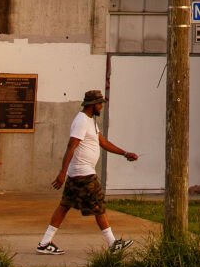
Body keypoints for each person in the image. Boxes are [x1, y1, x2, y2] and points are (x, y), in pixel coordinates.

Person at [36, 88, 138, 255]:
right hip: (83, 173)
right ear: (92, 105)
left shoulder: (91, 120)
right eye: (100, 104)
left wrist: (124, 153)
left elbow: (103, 142)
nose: (102, 107)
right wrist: (62, 172)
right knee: (98, 205)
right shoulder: (81, 121)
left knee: (65, 206)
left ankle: (45, 242)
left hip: (78, 172)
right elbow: (71, 145)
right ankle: (113, 244)